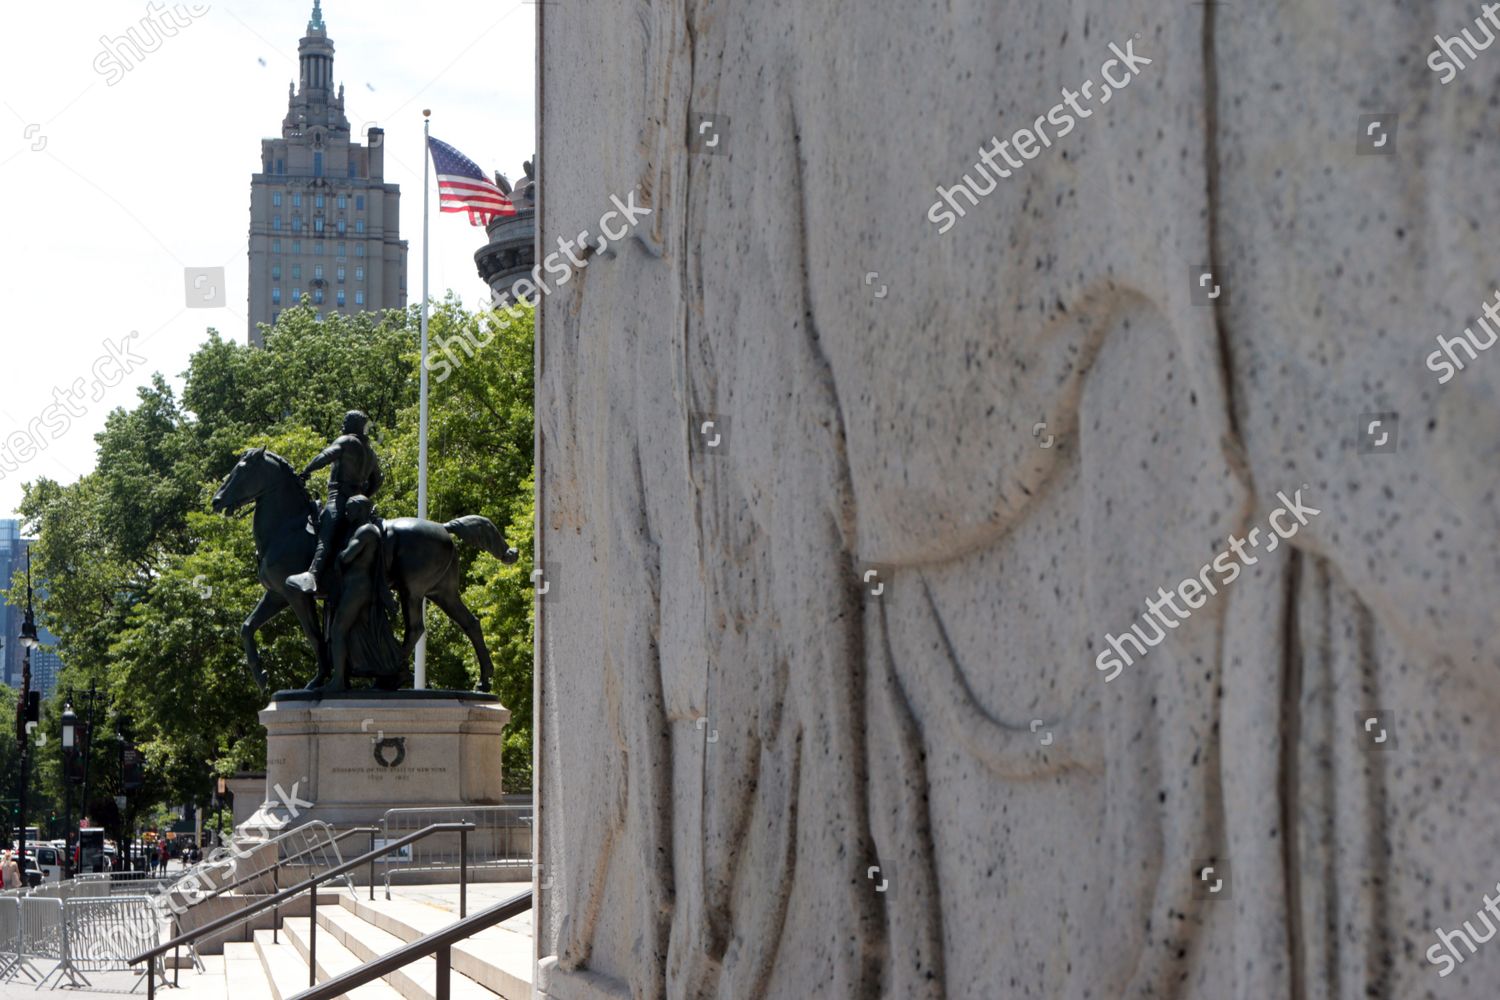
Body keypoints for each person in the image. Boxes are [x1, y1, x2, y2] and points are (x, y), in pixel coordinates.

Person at [286, 411, 383, 595]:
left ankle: (312, 576)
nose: (343, 425)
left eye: (346, 421)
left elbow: (326, 456)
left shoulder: (346, 441)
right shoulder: (370, 452)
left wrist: (306, 471)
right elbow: (377, 480)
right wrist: (363, 498)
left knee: (325, 536)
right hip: (358, 500)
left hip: (338, 497)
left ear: (353, 424)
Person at [326, 495, 403, 687]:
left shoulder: (366, 531)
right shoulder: (363, 530)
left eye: (350, 508)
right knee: (361, 632)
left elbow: (347, 556)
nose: (346, 512)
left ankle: (338, 681)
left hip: (357, 588)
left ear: (361, 510)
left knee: (338, 631)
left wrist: (335, 555)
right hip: (356, 587)